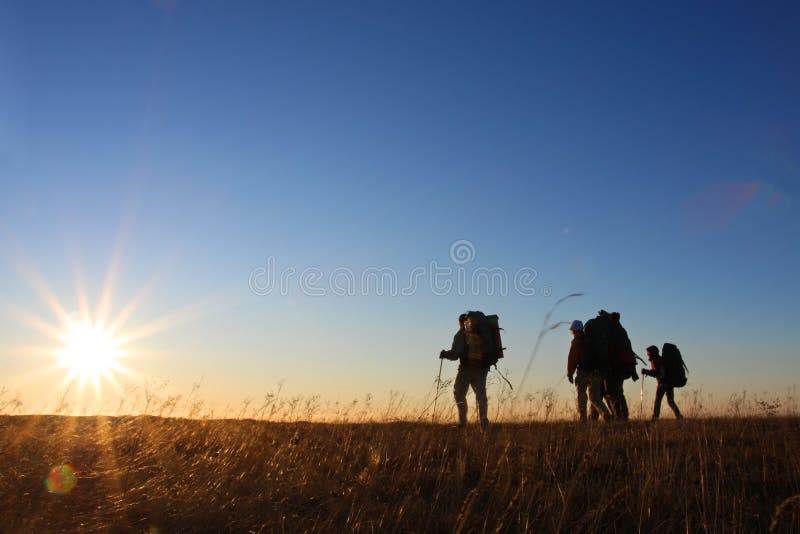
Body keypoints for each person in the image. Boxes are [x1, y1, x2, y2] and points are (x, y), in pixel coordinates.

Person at [440, 312, 491, 429]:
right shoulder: (481, 334)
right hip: (481, 369)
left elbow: (454, 355)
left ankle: (463, 423)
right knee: (481, 397)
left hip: (466, 369)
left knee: (459, 393)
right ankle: (484, 424)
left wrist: (444, 354)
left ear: (461, 322)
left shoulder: (461, 335)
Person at [566, 320, 611, 422]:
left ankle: (583, 419)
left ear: (574, 330)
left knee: (581, 395)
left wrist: (570, 373)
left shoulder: (576, 342)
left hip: (583, 371)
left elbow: (572, 359)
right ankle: (606, 415)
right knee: (595, 398)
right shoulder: (593, 340)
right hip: (597, 372)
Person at [641, 345, 683, 419]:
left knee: (658, 401)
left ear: (653, 353)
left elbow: (656, 373)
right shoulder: (661, 359)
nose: (648, 354)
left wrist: (646, 371)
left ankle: (655, 418)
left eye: (648, 353)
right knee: (670, 401)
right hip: (669, 383)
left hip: (662, 384)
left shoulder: (655, 360)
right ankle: (679, 416)